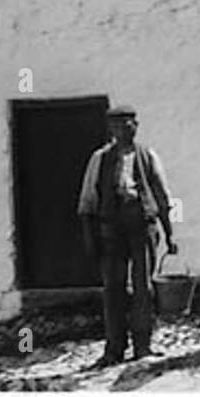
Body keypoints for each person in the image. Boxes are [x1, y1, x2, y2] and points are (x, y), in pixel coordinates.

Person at [76, 105, 177, 368]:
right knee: (113, 289)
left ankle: (143, 346)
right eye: (119, 125)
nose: (125, 129)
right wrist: (90, 238)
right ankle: (114, 350)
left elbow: (163, 196)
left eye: (130, 124)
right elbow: (87, 202)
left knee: (143, 287)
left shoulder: (148, 155)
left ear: (136, 126)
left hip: (143, 226)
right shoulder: (99, 159)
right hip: (112, 230)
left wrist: (170, 233)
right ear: (111, 129)